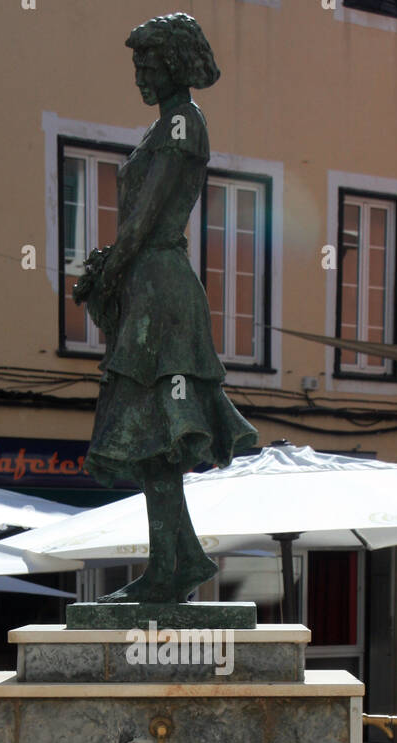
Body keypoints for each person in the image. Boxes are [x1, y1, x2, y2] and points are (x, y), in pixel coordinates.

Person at [72, 13, 257, 603]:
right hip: (147, 282)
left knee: (157, 429)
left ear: (173, 64)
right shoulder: (166, 127)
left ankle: (173, 564)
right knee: (154, 439)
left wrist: (109, 269)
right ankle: (178, 561)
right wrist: (112, 272)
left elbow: (147, 215)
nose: (139, 76)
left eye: (147, 64)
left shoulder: (182, 124)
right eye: (136, 65)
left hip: (160, 287)